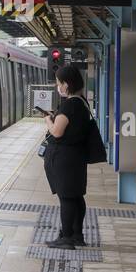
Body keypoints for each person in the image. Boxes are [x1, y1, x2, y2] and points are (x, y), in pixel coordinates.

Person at [42, 65, 91, 248]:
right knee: (76, 196)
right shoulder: (82, 102)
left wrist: (48, 120)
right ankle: (77, 234)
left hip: (65, 159)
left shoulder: (69, 104)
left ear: (67, 84)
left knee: (67, 198)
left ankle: (67, 237)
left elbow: (57, 132)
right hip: (76, 157)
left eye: (59, 83)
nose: (58, 87)